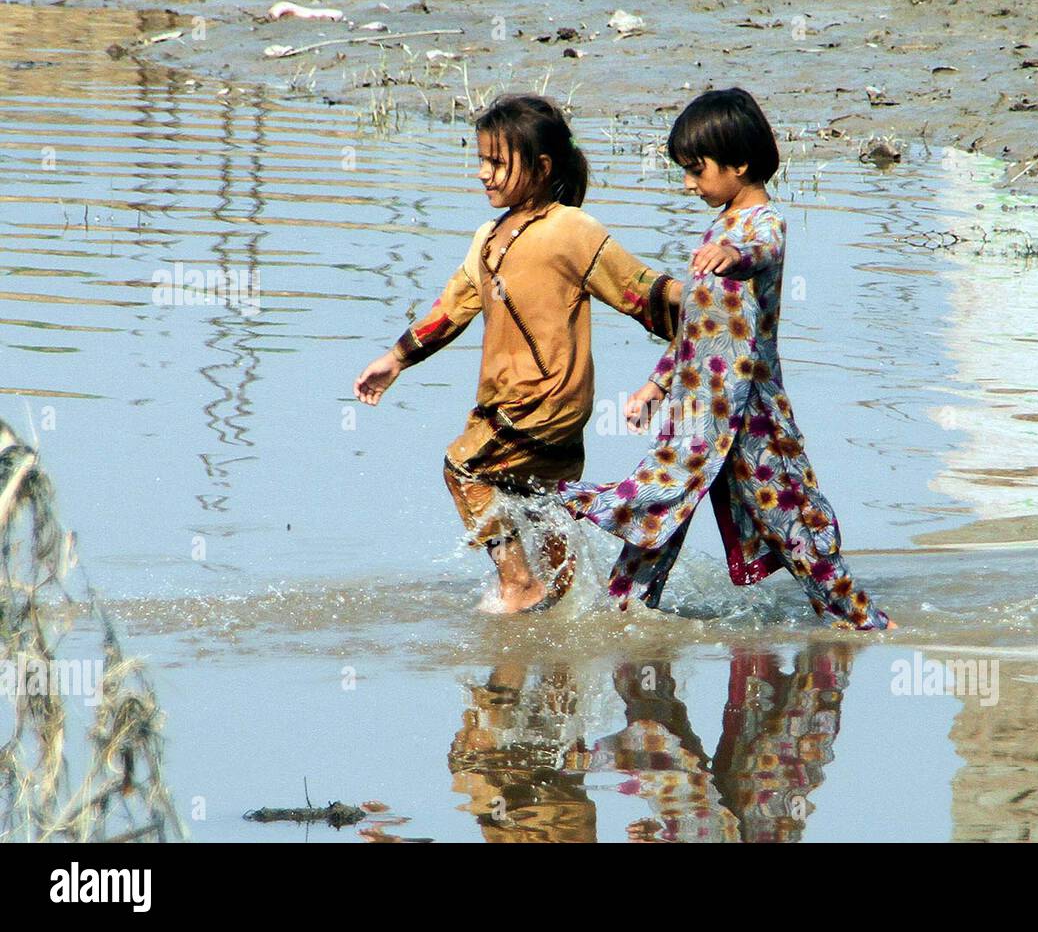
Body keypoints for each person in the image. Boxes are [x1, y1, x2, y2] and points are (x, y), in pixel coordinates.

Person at [557, 88, 893, 631]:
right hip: (698, 413)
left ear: (740, 164)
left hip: (751, 415)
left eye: (696, 170)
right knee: (662, 515)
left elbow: (763, 250)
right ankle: (620, 618)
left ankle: (861, 621)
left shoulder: (761, 225)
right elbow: (701, 331)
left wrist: (734, 256)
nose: (689, 184)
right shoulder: (717, 227)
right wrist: (655, 385)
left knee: (792, 518)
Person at [353, 95, 680, 612]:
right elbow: (454, 305)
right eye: (481, 160)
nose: (484, 173)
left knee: (463, 469)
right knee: (542, 508)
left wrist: (708, 306)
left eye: (498, 163)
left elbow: (642, 290)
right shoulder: (486, 238)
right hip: (512, 405)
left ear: (542, 167)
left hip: (541, 404)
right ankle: (566, 630)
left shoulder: (572, 230)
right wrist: (397, 358)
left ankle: (516, 584)